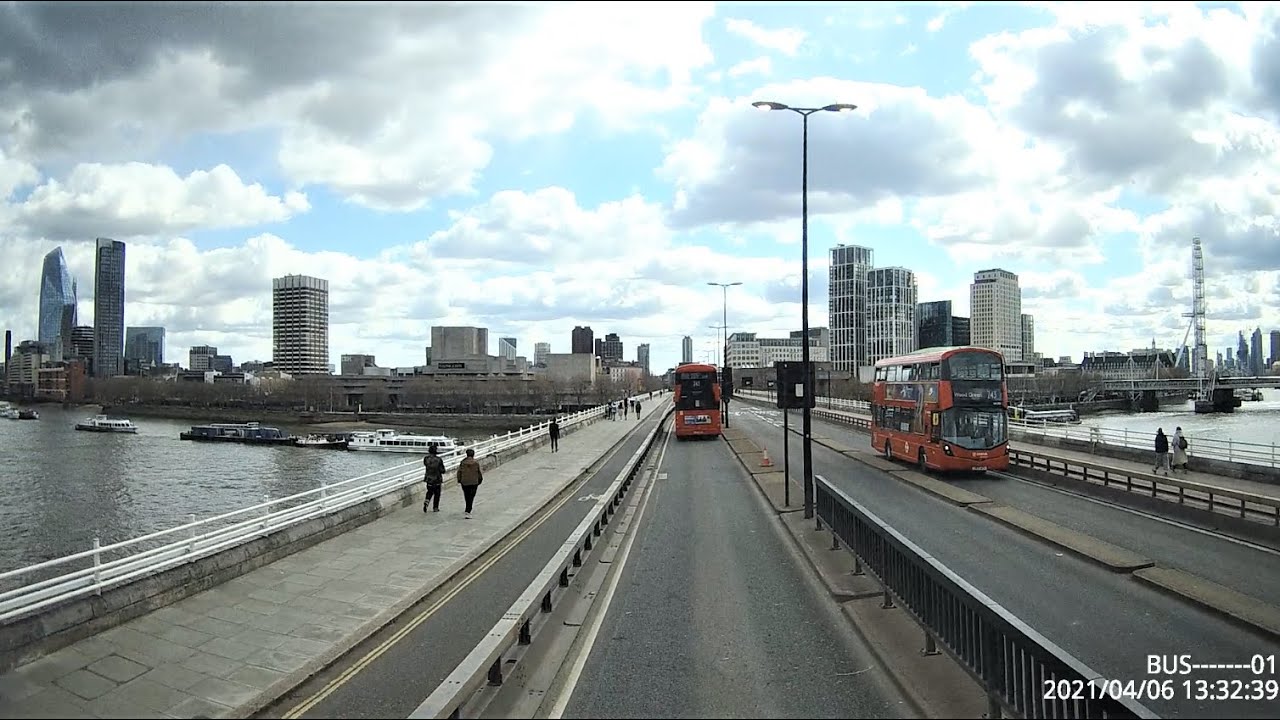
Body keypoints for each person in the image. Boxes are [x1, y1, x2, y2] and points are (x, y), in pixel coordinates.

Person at [457, 447, 483, 519]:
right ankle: (468, 510)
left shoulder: (463, 462)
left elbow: (459, 472)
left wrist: (459, 480)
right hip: (474, 482)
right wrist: (480, 480)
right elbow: (479, 472)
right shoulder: (476, 463)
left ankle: (467, 508)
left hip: (464, 482)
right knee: (472, 496)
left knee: (466, 495)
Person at [422, 444, 446, 513]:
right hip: (437, 479)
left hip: (428, 479)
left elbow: (425, 465)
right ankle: (435, 507)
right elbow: (442, 470)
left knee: (429, 492)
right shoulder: (438, 459)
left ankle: (427, 501)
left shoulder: (426, 459)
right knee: (437, 493)